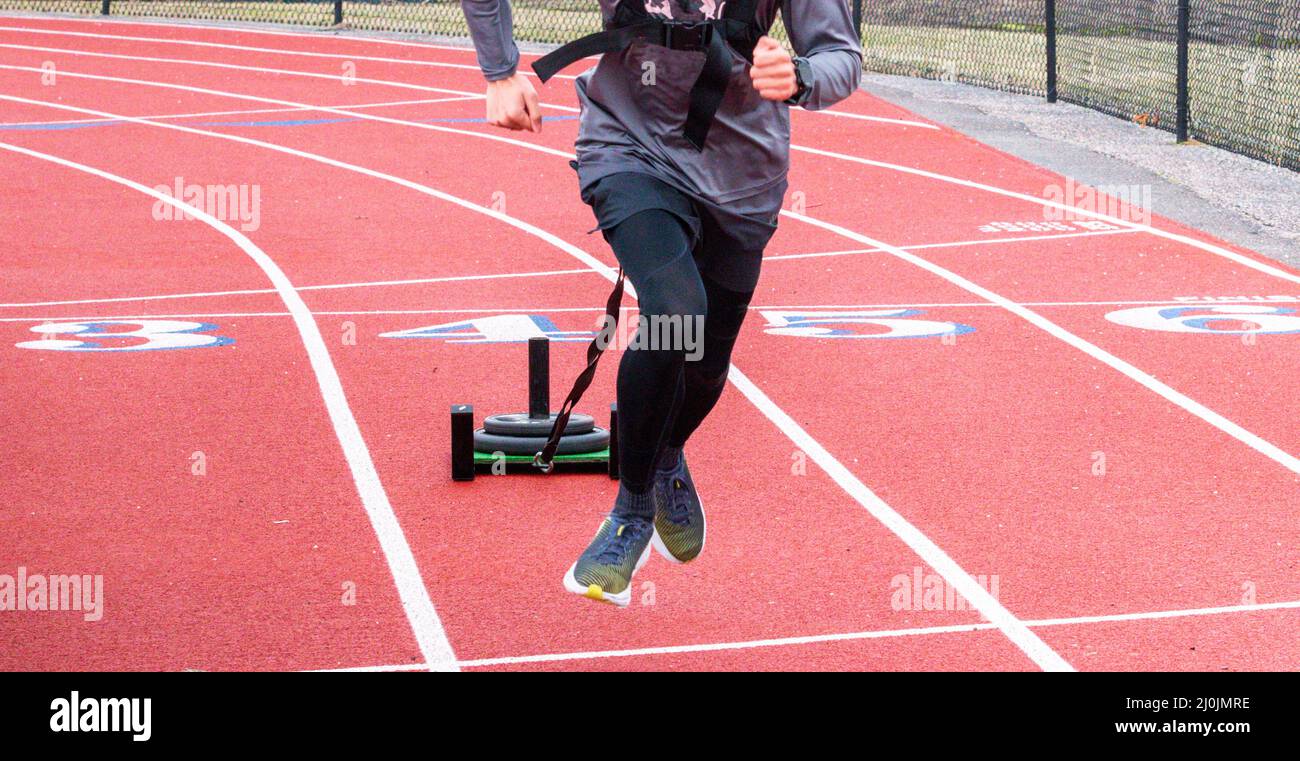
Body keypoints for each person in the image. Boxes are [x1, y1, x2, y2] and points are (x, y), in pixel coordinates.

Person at [459, 0, 862, 606]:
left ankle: (669, 451)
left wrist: (802, 76)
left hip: (743, 172)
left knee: (704, 366)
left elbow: (842, 58)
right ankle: (632, 508)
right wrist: (499, 70)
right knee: (676, 313)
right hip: (630, 146)